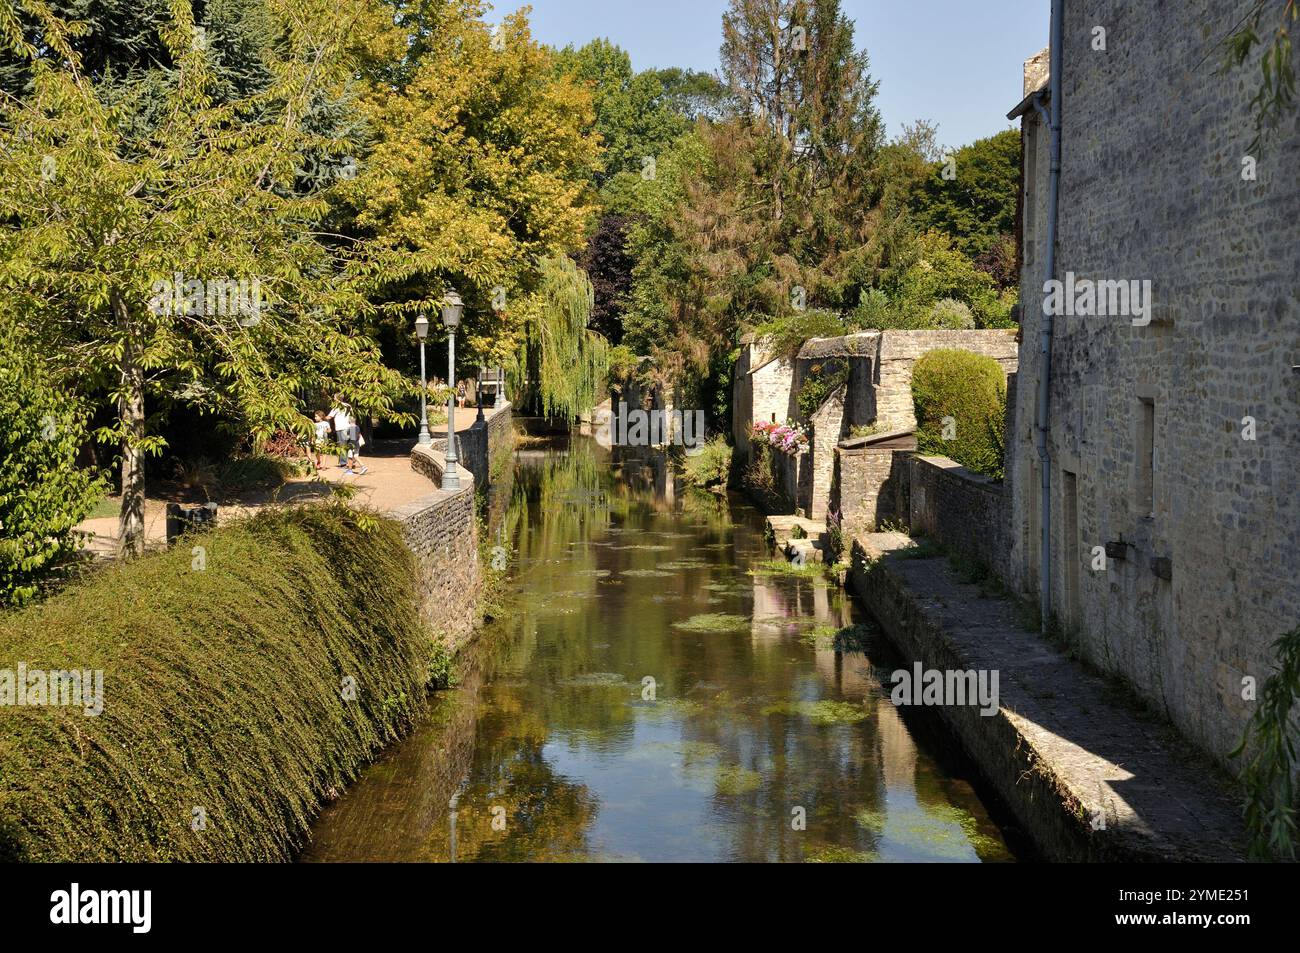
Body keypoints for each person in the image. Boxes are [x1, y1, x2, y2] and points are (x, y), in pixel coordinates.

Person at [327, 399, 354, 469]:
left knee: (342, 446)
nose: (333, 399)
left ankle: (343, 463)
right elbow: (352, 417)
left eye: (334, 398)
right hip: (348, 427)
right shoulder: (348, 406)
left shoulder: (336, 406)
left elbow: (329, 416)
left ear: (337, 398)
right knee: (348, 445)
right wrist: (353, 429)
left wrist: (321, 418)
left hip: (340, 428)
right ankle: (351, 461)